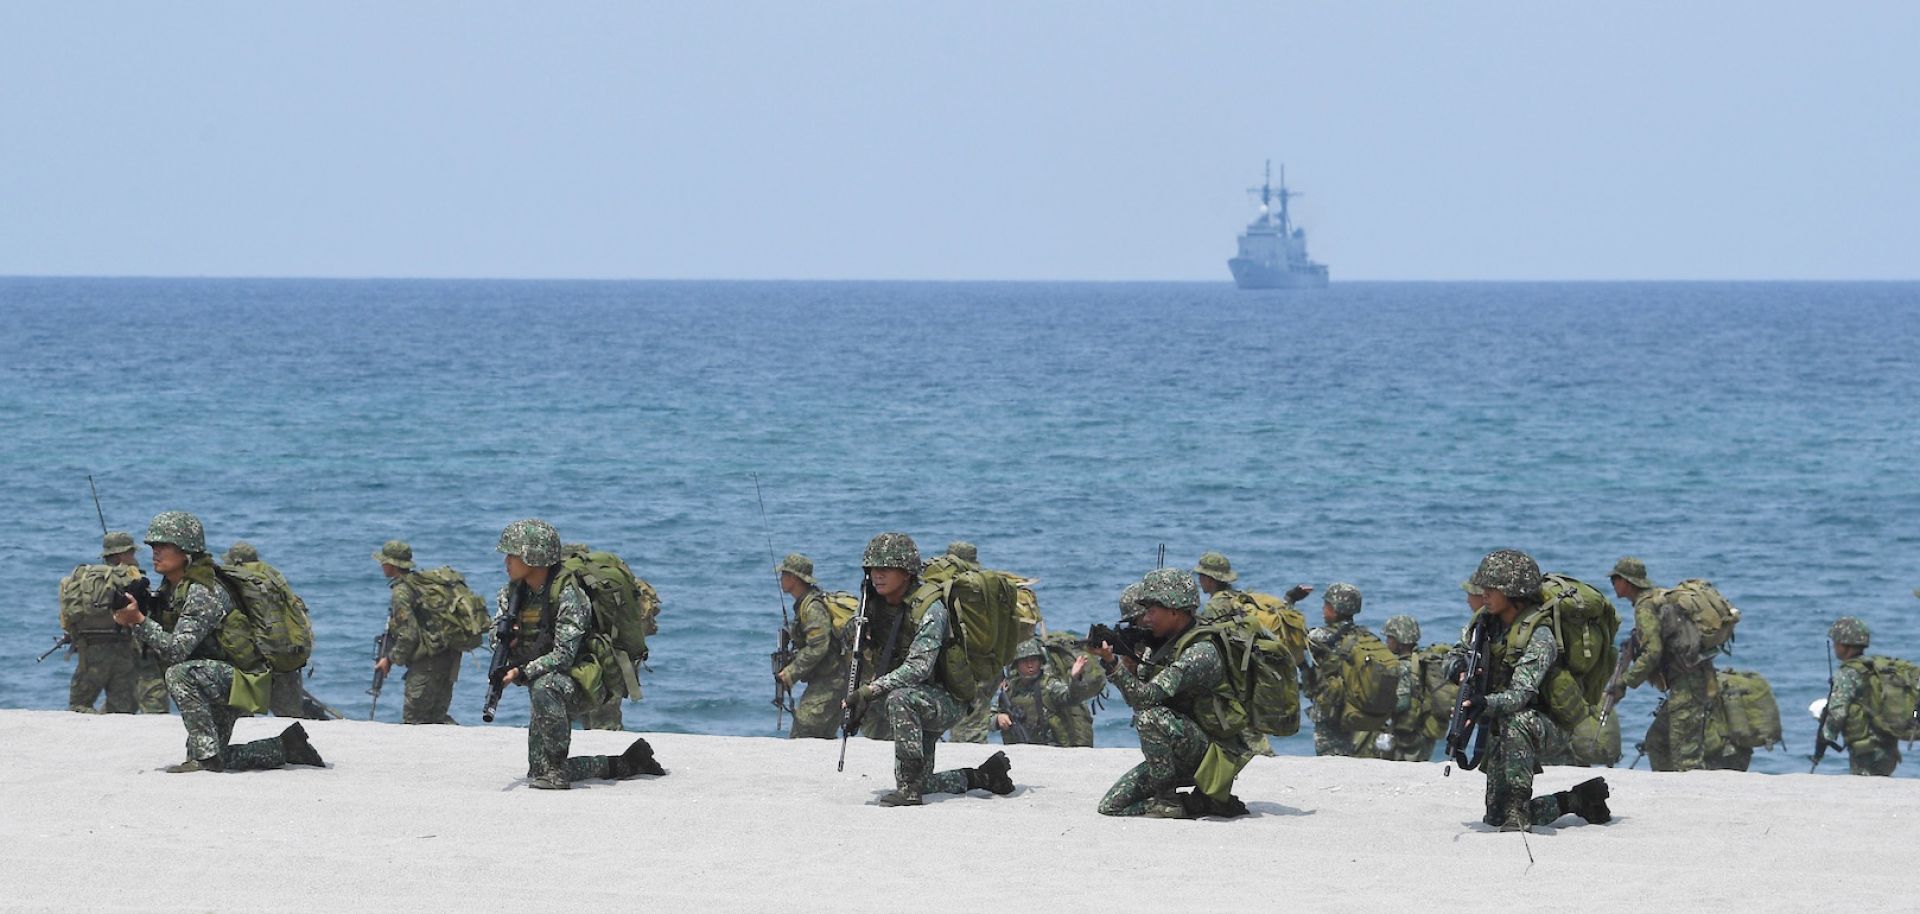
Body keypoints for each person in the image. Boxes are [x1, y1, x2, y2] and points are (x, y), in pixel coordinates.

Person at [113, 511, 325, 773]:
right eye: (153, 546)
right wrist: (136, 618)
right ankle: (287, 747)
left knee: (179, 675)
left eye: (163, 545)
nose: (155, 552)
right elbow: (165, 645)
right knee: (218, 757)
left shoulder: (204, 591)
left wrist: (139, 621)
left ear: (186, 550)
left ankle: (205, 759)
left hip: (243, 680)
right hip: (220, 678)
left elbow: (176, 651)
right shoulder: (172, 590)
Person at [843, 532, 1014, 806]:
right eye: (873, 569)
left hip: (946, 698)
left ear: (907, 572)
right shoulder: (875, 606)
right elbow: (862, 653)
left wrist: (870, 691)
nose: (878, 575)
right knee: (927, 781)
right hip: (918, 696)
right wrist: (855, 631)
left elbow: (918, 668)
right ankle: (983, 776)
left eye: (886, 568)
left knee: (899, 699)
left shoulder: (930, 609)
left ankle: (909, 791)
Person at [492, 519, 663, 789]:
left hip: (588, 677)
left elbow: (563, 655)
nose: (507, 561)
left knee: (543, 685)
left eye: (513, 554)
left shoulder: (569, 594)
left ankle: (558, 771)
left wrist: (521, 672)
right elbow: (496, 635)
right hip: (550, 677)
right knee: (537, 771)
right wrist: (506, 643)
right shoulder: (511, 594)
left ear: (533, 557)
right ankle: (629, 762)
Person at [1457, 549, 1610, 831]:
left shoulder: (1540, 635)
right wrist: (1458, 668)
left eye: (1492, 589)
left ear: (1513, 592)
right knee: (1494, 818)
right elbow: (1459, 652)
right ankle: (1576, 800)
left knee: (1517, 721)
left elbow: (1520, 696)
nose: (1485, 594)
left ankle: (1520, 808)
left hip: (1546, 724)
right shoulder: (1485, 625)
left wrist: (1484, 703)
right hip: (1503, 722)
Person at [1091, 568, 1246, 818]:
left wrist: (1112, 664)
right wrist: (1133, 665)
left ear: (1174, 610)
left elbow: (1145, 700)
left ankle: (1169, 801)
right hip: (1182, 746)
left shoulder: (1200, 652)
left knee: (1151, 718)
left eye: (1152, 611)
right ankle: (1201, 804)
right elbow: (1138, 700)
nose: (1147, 619)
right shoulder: (1165, 646)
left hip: (1213, 754)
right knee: (1111, 806)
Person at [1606, 556, 1712, 772]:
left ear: (1626, 582)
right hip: (1688, 681)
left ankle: (1693, 797)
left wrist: (1625, 681)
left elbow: (1653, 651)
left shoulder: (1645, 608)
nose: (1613, 585)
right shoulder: (1655, 600)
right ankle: (1670, 790)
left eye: (1614, 579)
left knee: (1686, 756)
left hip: (1688, 684)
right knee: (1657, 742)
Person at [220, 541, 332, 720]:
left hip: (252, 661)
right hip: (284, 654)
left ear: (236, 561)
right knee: (292, 717)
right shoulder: (272, 576)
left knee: (241, 719)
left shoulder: (234, 578)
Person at [371, 540, 462, 725]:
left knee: (415, 721)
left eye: (384, 561)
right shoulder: (420, 583)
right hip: (447, 658)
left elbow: (409, 634)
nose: (382, 565)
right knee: (436, 718)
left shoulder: (402, 592)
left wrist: (389, 659)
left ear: (392, 564)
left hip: (426, 665)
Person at [60, 531, 146, 713]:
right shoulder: (131, 577)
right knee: (123, 711)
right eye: (131, 553)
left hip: (90, 652)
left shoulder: (84, 578)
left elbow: (69, 616)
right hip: (124, 652)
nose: (134, 557)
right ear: (122, 554)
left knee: (79, 706)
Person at [1820, 617, 1902, 777]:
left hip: (1865, 751)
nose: (1835, 646)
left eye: (1837, 642)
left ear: (1846, 645)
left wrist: (1826, 736)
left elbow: (1838, 711)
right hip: (1889, 746)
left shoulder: (1847, 673)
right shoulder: (1876, 667)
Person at [775, 553, 844, 739]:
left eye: (784, 575)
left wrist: (791, 672)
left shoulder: (812, 608)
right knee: (821, 736)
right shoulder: (804, 604)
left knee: (804, 729)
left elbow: (818, 646)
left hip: (832, 680)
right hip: (828, 679)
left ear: (794, 578)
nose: (781, 579)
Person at [1303, 583, 1376, 757]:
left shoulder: (1320, 636)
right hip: (1355, 708)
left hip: (1329, 710)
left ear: (1334, 609)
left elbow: (1288, 630)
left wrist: (1289, 600)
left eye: (1326, 605)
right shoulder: (1364, 635)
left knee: (1331, 759)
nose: (1322, 609)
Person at [991, 638, 1104, 747]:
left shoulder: (1050, 685)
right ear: (1017, 665)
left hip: (1051, 748)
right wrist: (998, 719)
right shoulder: (1010, 689)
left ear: (1040, 662)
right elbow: (987, 718)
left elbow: (1071, 697)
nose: (1030, 665)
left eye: (1033, 660)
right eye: (1025, 661)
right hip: (1019, 748)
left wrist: (1075, 679)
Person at [1370, 614, 1434, 762]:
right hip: (1424, 730)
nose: (1387, 642)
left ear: (1399, 641)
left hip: (1407, 734)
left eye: (1390, 638)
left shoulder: (1402, 667)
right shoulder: (1422, 660)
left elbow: (1402, 703)